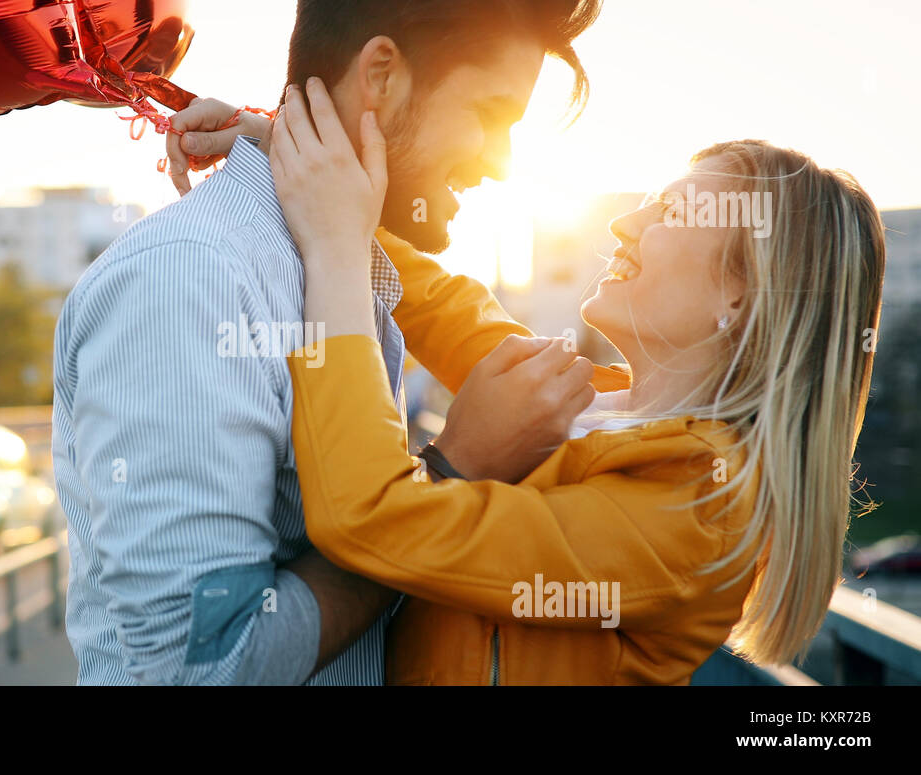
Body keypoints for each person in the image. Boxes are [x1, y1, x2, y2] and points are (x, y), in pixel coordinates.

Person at [255, 80, 886, 684]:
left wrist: (335, 243)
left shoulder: (700, 510)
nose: (623, 225)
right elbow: (441, 305)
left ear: (745, 293)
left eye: (668, 211)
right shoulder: (592, 399)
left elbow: (368, 518)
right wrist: (280, 153)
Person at [52, 0, 602, 685]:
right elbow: (202, 668)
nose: (502, 166)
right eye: (491, 115)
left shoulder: (345, 265)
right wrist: (450, 476)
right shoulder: (192, 279)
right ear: (380, 75)